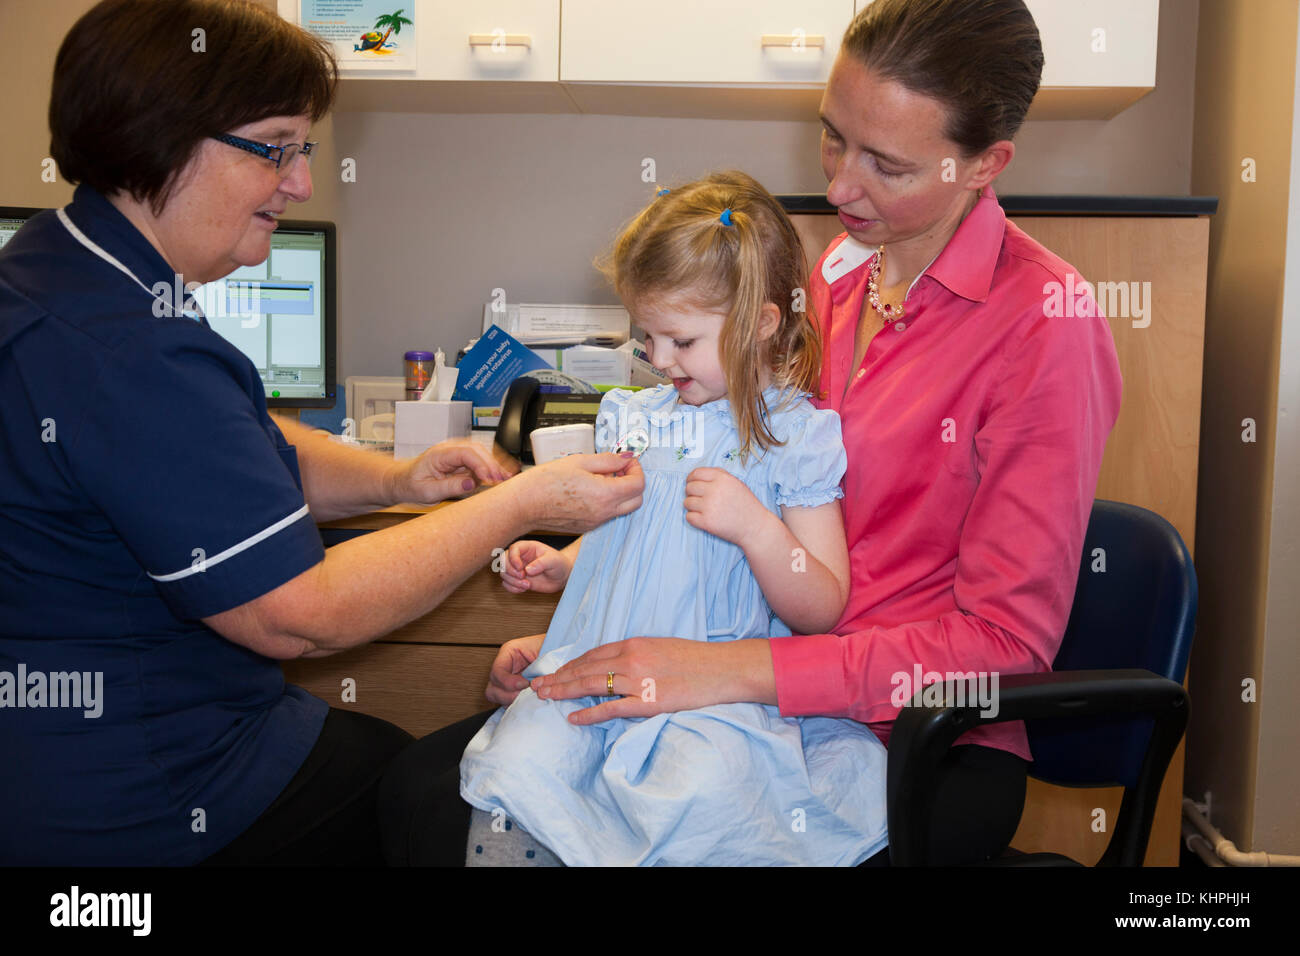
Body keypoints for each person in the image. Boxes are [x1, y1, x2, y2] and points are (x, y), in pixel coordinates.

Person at [380, 0, 1122, 867]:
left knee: (504, 825)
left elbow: (1004, 647)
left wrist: (724, 670)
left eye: (886, 163)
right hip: (736, 677)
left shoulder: (1045, 325)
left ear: (984, 165)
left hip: (906, 735)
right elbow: (707, 513)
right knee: (424, 790)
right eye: (834, 136)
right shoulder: (828, 285)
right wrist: (580, 639)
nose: (841, 187)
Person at [0, 0, 642, 866]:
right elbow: (302, 619)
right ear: (162, 136)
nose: (300, 182)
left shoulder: (54, 265)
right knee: (431, 795)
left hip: (53, 761)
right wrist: (521, 501)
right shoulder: (135, 356)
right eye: (277, 147)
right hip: (151, 796)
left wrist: (394, 480)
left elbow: (229, 446)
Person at [458, 172, 888, 867]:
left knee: (701, 792)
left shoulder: (794, 441)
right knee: (524, 763)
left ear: (760, 326)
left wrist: (757, 528)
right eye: (646, 336)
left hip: (717, 696)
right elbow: (628, 543)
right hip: (603, 670)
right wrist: (564, 564)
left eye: (681, 341)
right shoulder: (635, 417)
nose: (658, 359)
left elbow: (822, 606)